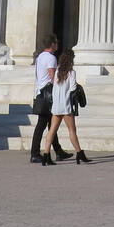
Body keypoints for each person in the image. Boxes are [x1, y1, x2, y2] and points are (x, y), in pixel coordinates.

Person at [39, 49, 91, 166]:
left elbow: (54, 85)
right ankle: (79, 153)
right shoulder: (71, 73)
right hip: (66, 106)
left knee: (52, 130)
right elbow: (73, 89)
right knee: (72, 131)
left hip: (56, 105)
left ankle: (46, 155)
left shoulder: (57, 72)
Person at [31, 34, 72, 164]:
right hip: (48, 95)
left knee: (51, 124)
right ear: (53, 44)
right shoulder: (51, 58)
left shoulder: (40, 57)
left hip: (40, 92)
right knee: (43, 124)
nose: (57, 45)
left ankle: (58, 151)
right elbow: (53, 77)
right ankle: (35, 154)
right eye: (56, 42)